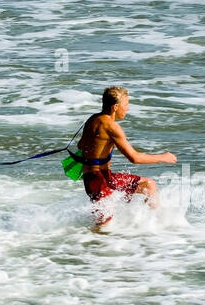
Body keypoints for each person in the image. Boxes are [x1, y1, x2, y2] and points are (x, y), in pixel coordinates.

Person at [72, 87, 176, 221]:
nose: (127, 108)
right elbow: (134, 158)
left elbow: (81, 145)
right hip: (98, 180)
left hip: (99, 177)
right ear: (115, 107)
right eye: (126, 104)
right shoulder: (112, 127)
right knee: (104, 223)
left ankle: (154, 224)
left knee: (149, 185)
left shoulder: (93, 119)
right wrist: (163, 157)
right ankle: (90, 240)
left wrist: (100, 147)